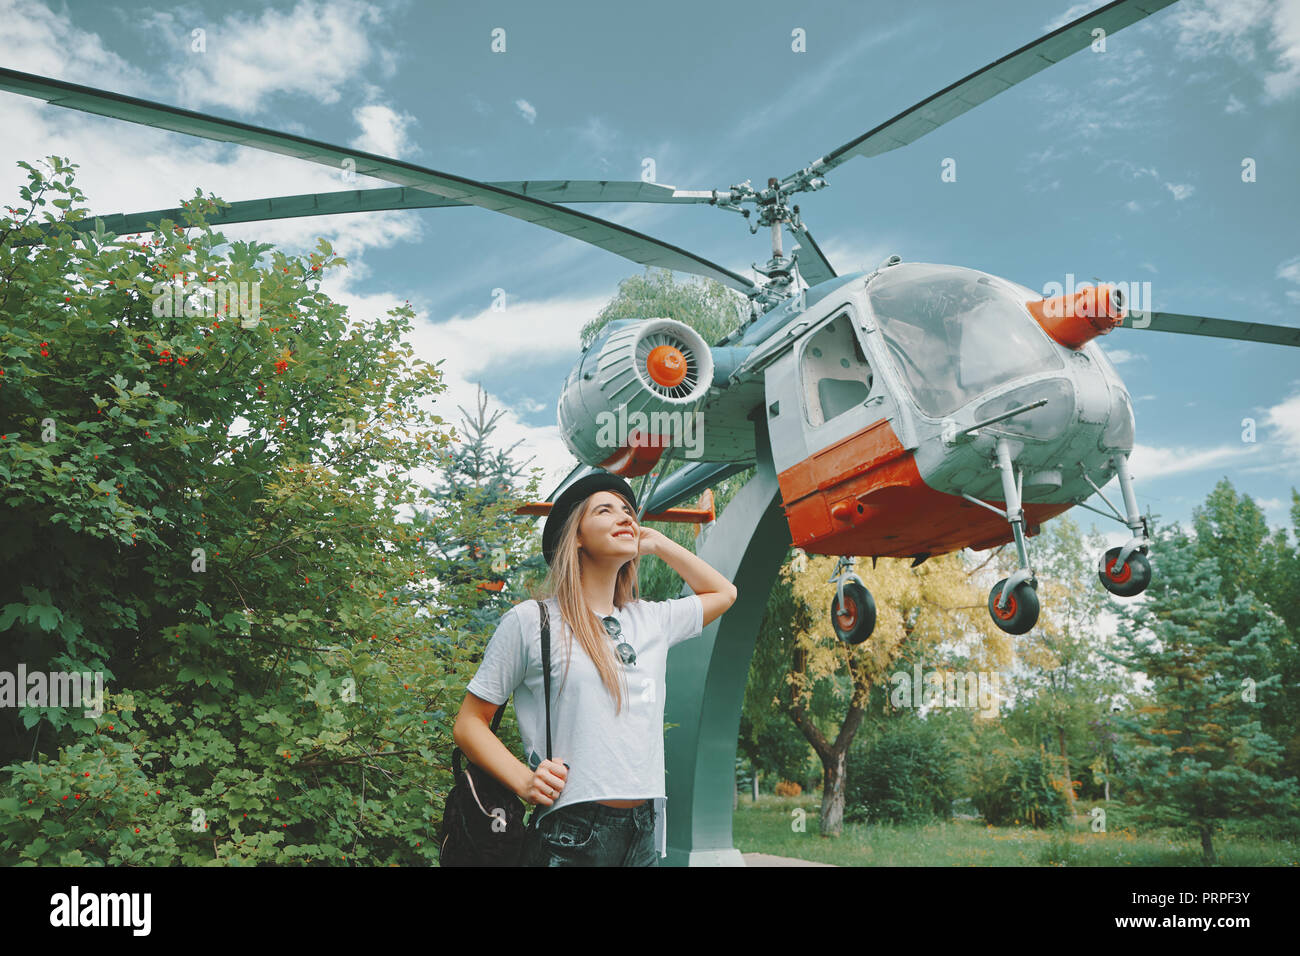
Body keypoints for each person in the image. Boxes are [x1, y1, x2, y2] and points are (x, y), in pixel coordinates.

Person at [451, 471, 738, 866]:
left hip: (646, 829)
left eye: (628, 512)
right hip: (571, 830)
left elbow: (725, 593)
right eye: (605, 510)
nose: (625, 517)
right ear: (578, 536)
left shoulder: (651, 619)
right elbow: (469, 724)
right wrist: (524, 779)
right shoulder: (532, 622)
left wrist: (659, 543)